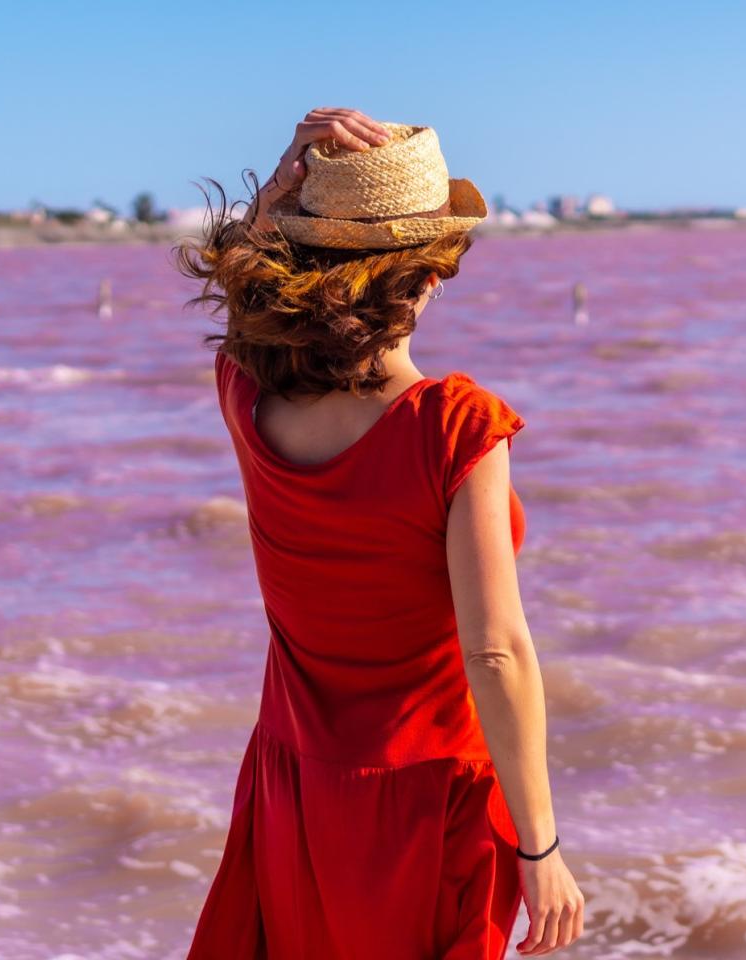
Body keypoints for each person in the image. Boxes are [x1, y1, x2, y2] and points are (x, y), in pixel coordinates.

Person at [175, 107, 585, 958]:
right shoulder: (454, 426)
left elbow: (240, 304)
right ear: (429, 276)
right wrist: (541, 847)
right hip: (430, 798)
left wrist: (278, 187)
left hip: (298, 783)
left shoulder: (249, 403)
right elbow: (497, 650)